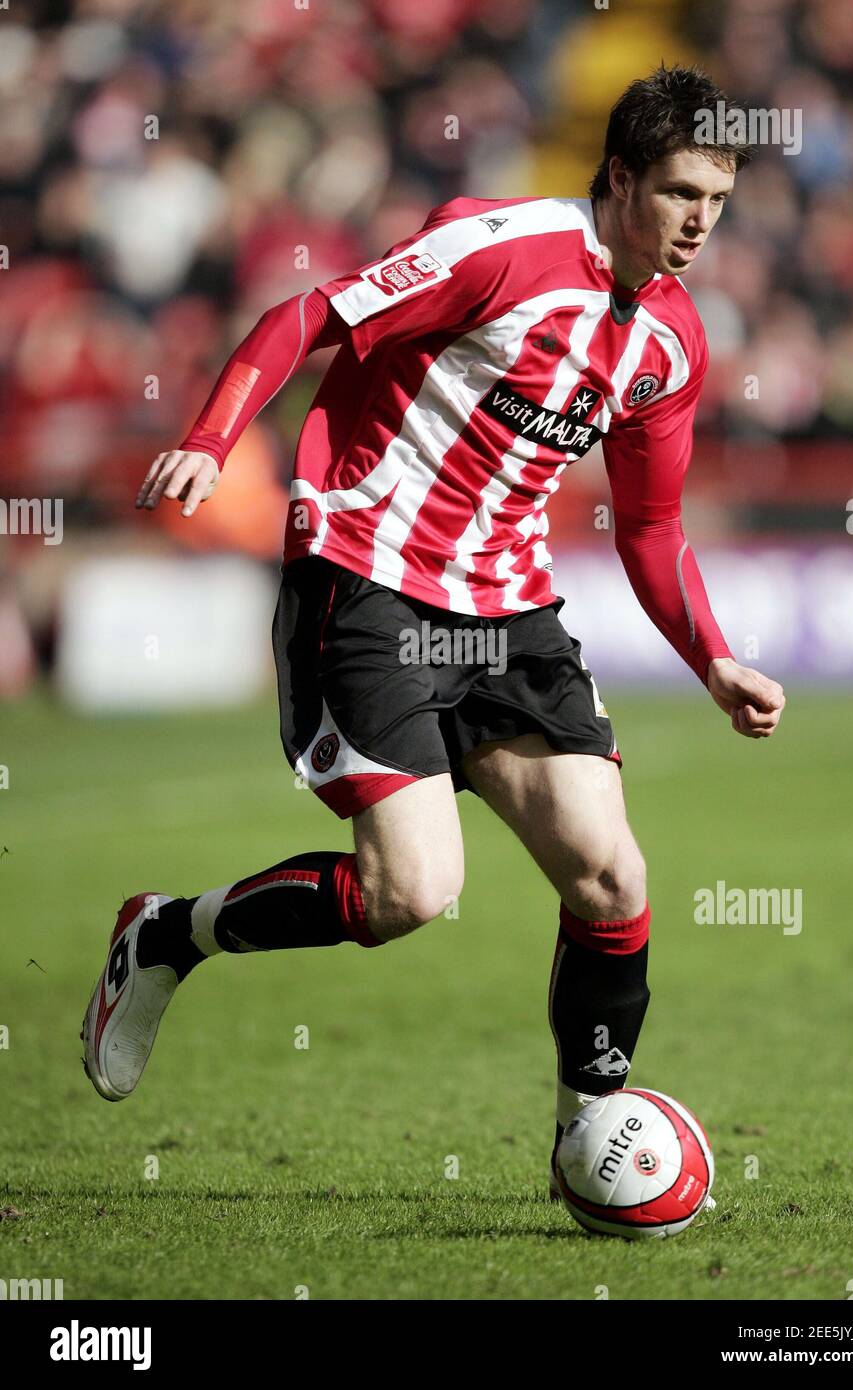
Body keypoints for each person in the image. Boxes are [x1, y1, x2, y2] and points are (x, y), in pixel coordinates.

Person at [81, 65, 785, 1201]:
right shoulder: (496, 247)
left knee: (610, 873)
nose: (701, 222)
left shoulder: (671, 342)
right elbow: (308, 314)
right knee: (409, 894)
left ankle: (582, 1144)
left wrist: (714, 659)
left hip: (507, 607)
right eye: (679, 192)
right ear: (617, 177)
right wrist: (216, 437)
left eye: (719, 198)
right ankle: (168, 936)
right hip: (368, 583)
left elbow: (652, 526)